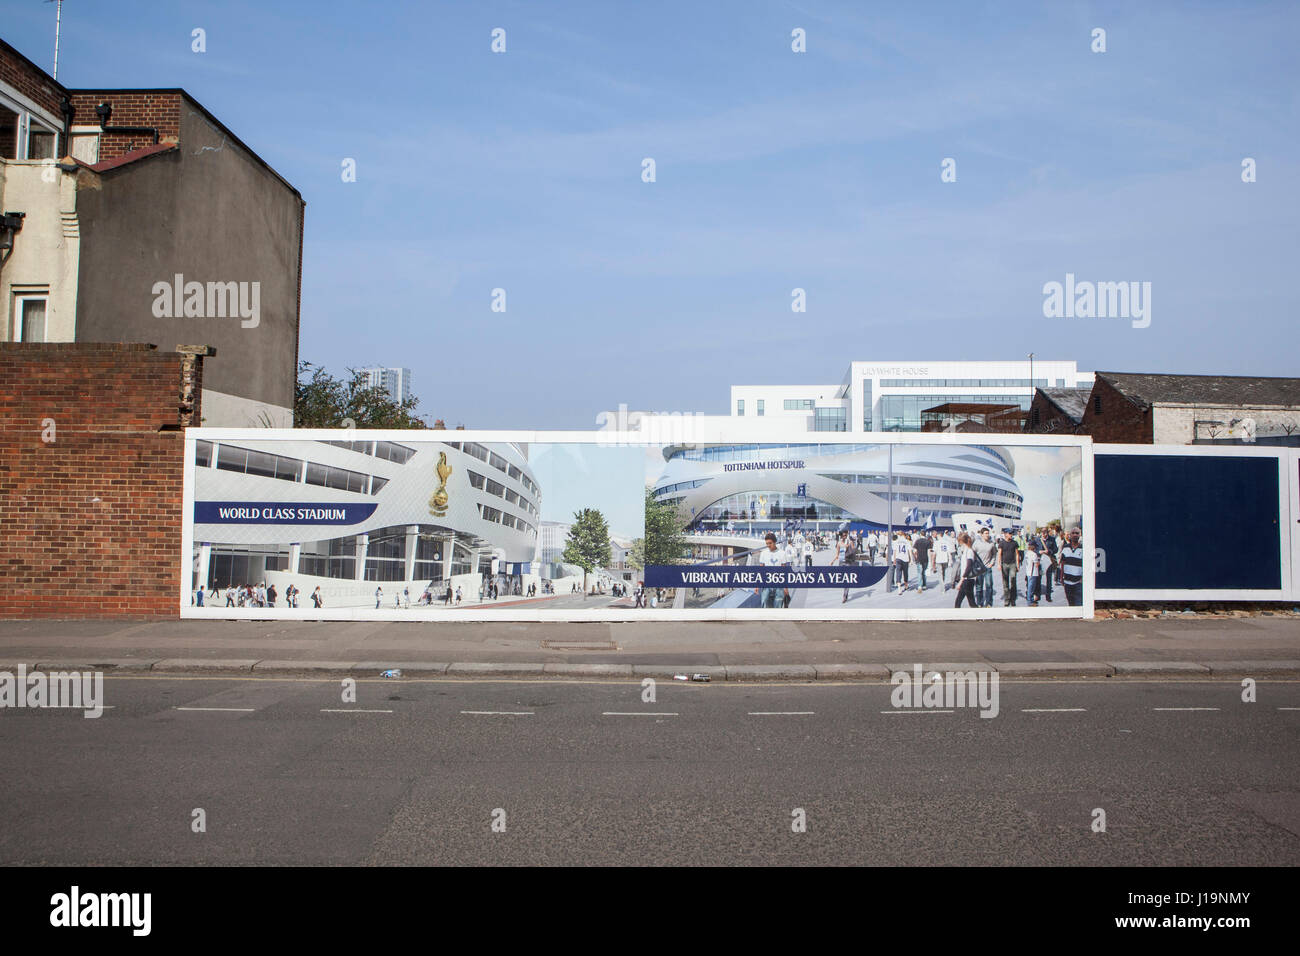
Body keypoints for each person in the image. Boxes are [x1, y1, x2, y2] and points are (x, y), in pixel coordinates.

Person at [755, 532, 787, 608]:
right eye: (767, 543)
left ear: (775, 542)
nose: (768, 545)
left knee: (778, 608)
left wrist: (785, 587)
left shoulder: (782, 553)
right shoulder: (763, 553)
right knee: (764, 605)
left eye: (770, 543)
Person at [1060, 527, 1084, 606]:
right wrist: (1061, 577)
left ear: (1080, 535)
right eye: (1073, 533)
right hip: (1067, 582)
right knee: (1071, 604)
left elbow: (1085, 565)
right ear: (1069, 535)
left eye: (1077, 533)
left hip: (1078, 583)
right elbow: (1062, 563)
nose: (1075, 535)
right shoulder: (1065, 547)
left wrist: (1082, 579)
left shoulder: (1083, 549)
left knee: (1078, 604)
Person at [973, 527, 997, 608]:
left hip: (987, 568)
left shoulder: (991, 543)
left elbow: (994, 554)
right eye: (986, 533)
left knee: (989, 586)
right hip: (979, 568)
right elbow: (973, 554)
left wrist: (992, 563)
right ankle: (979, 603)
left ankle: (989, 603)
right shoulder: (976, 543)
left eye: (988, 533)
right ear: (981, 534)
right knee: (979, 587)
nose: (987, 535)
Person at [953, 533, 978, 608]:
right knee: (971, 601)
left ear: (962, 542)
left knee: (959, 601)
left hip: (967, 579)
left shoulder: (969, 551)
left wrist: (961, 581)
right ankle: (979, 616)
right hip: (968, 579)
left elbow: (969, 566)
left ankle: (956, 617)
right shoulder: (966, 551)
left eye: (960, 543)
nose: (959, 545)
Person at [997, 529, 1019, 606]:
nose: (1011, 535)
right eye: (1010, 533)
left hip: (1012, 564)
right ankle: (1007, 599)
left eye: (1012, 533)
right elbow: (999, 554)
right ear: (1005, 534)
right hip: (1004, 565)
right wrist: (999, 564)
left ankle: (1013, 599)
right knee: (1005, 583)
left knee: (1013, 580)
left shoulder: (1014, 543)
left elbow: (1016, 554)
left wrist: (1017, 565)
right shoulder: (1001, 543)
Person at [841, 531, 860, 604]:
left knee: (846, 579)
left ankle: (845, 595)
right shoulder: (849, 543)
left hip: (845, 562)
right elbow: (853, 551)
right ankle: (845, 595)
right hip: (847, 562)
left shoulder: (843, 542)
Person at [1025, 540, 1042, 606]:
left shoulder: (1027, 553)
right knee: (1031, 588)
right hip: (1033, 573)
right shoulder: (1034, 554)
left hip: (1028, 572)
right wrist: (1039, 561)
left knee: (1029, 587)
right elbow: (1036, 564)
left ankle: (1030, 600)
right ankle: (1030, 601)